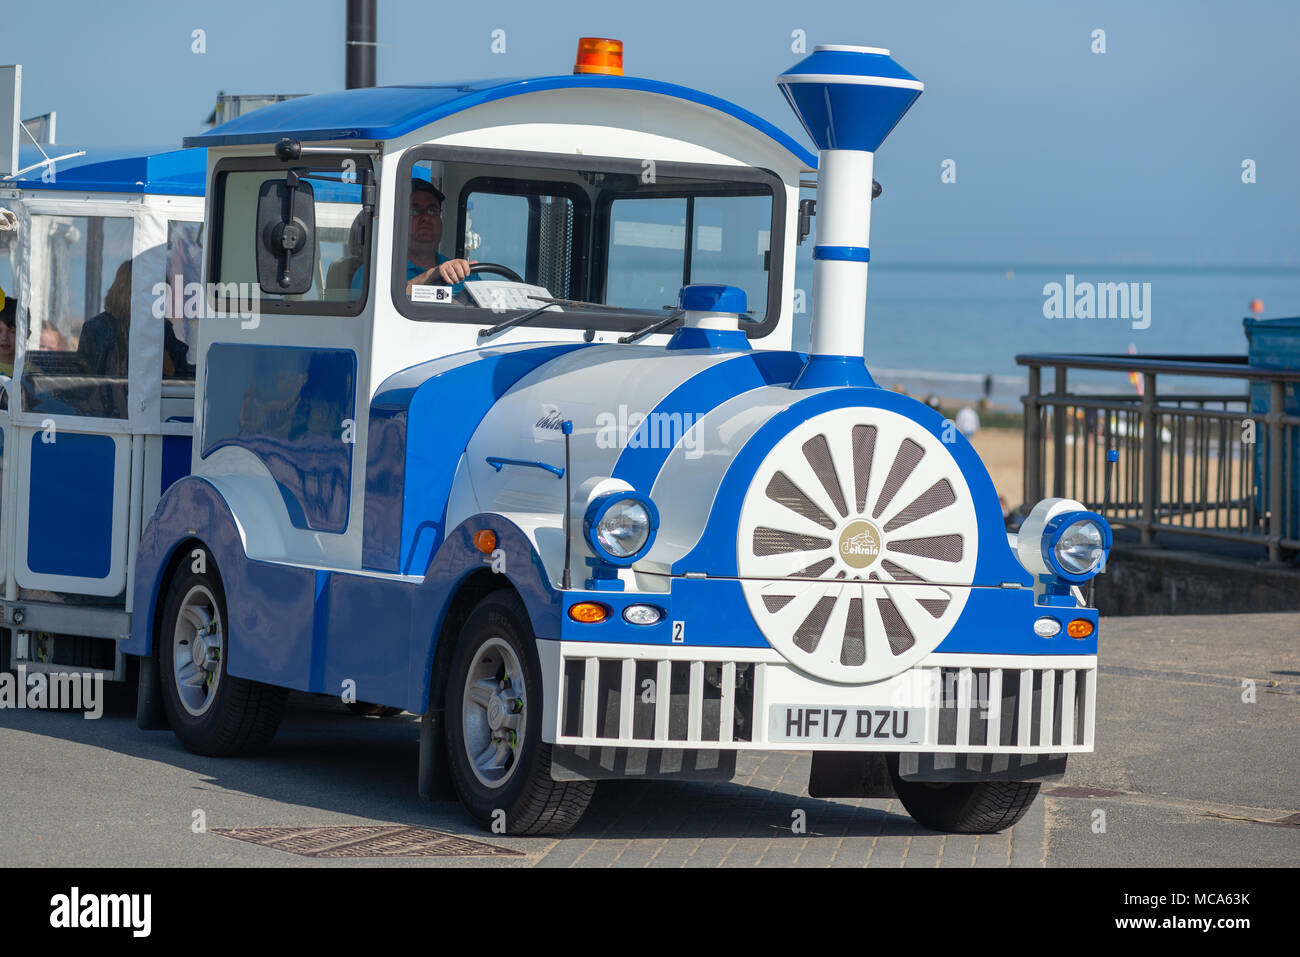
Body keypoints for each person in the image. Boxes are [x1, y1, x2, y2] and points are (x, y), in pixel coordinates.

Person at [353, 179, 482, 299]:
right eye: (414, 210)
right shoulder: (374, 273)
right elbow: (382, 305)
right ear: (397, 221)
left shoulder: (466, 273)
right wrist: (434, 275)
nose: (425, 218)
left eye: (432, 210)